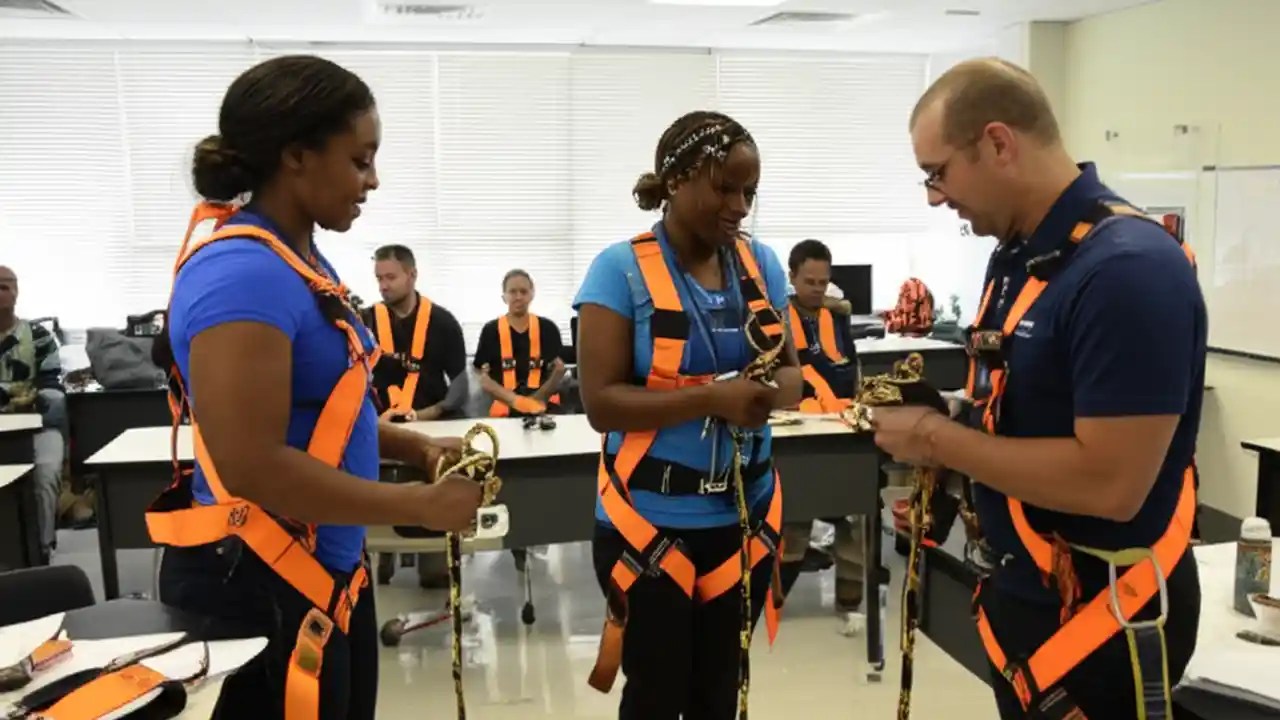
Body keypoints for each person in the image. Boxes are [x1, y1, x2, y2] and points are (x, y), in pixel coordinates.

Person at [146, 55, 484, 720]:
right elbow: (252, 464)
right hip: (258, 582)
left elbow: (323, 412)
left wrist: (410, 446)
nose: (373, 180)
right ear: (297, 154)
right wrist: (412, 502)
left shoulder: (299, 260)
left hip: (323, 573)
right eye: (360, 161)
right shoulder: (243, 273)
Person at [873, 58, 1204, 720]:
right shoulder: (1025, 260)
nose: (935, 197)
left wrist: (939, 441)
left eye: (937, 173)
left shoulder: (1126, 273)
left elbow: (1110, 484)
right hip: (1028, 593)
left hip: (1106, 610)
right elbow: (1028, 408)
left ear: (998, 143)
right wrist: (952, 420)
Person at [575, 110, 803, 720]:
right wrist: (711, 398)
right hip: (649, 523)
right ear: (676, 181)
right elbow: (599, 402)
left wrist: (765, 394)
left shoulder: (762, 265)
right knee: (656, 691)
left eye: (749, 191)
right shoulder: (617, 270)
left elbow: (793, 375)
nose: (740, 205)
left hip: (741, 516)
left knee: (717, 692)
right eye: (725, 187)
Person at [775, 239, 866, 637]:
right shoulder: (774, 320)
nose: (817, 288)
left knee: (855, 516)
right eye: (809, 280)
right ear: (791, 276)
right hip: (797, 430)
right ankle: (775, 600)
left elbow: (852, 369)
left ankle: (850, 602)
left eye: (824, 282)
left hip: (844, 425)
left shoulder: (838, 317)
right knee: (794, 520)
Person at [0, 266, 67, 563]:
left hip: (36, 429)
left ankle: (41, 550)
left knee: (45, 476)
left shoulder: (39, 337)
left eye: (7, 284)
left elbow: (51, 388)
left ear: (17, 291)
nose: (2, 290)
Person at [363, 244, 468, 423]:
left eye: (390, 278)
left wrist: (429, 413)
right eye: (379, 279)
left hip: (432, 424)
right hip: (381, 427)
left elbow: (460, 384)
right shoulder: (365, 322)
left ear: (412, 275)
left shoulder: (443, 322)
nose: (383, 286)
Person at [473, 269, 566, 423]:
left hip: (543, 405)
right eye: (513, 292)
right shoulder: (491, 331)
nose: (518, 297)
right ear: (504, 296)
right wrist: (516, 402)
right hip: (503, 408)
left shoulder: (548, 329)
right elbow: (481, 375)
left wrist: (532, 402)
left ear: (532, 294)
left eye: (523, 291)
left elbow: (558, 371)